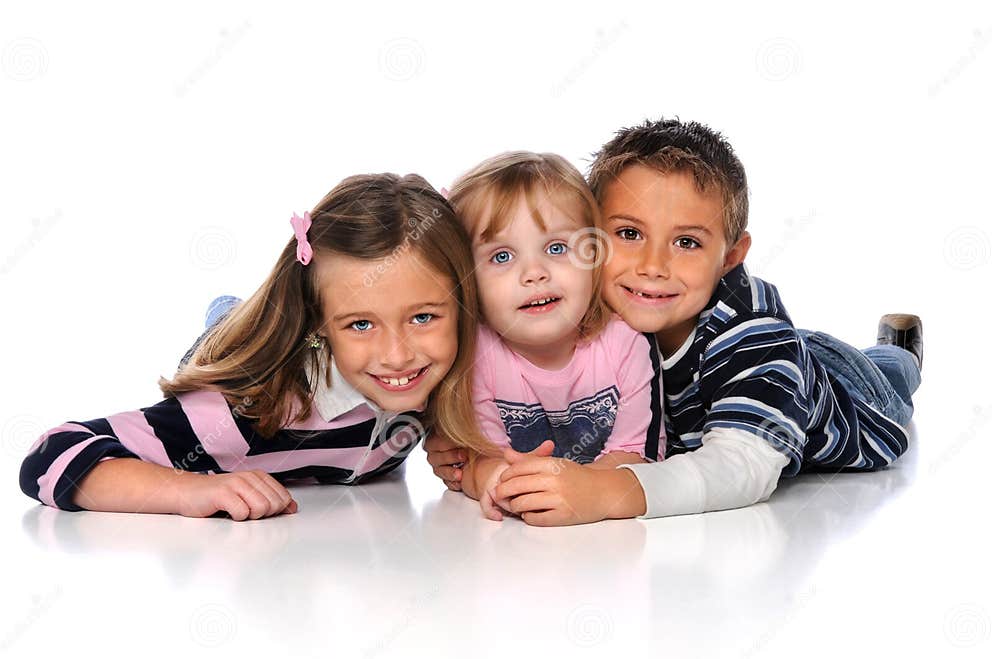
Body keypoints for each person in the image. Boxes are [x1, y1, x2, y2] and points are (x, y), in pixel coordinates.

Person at [427, 119, 922, 525]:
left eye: (686, 242)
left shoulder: (754, 340)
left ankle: (897, 350)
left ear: (730, 256)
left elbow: (743, 466)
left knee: (888, 376)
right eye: (629, 233)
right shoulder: (573, 298)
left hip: (846, 398)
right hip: (777, 357)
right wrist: (464, 446)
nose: (653, 266)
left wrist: (608, 492)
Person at [20, 173, 481, 521]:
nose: (398, 354)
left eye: (423, 317)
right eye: (361, 324)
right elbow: (49, 456)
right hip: (243, 358)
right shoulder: (241, 415)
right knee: (227, 334)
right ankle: (227, 315)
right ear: (319, 321)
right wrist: (189, 490)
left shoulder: (448, 370)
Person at [443, 151, 665, 523]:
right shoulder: (477, 354)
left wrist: (576, 491)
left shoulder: (626, 342)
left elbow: (637, 456)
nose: (534, 273)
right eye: (501, 256)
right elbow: (477, 459)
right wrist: (498, 481)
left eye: (557, 248)